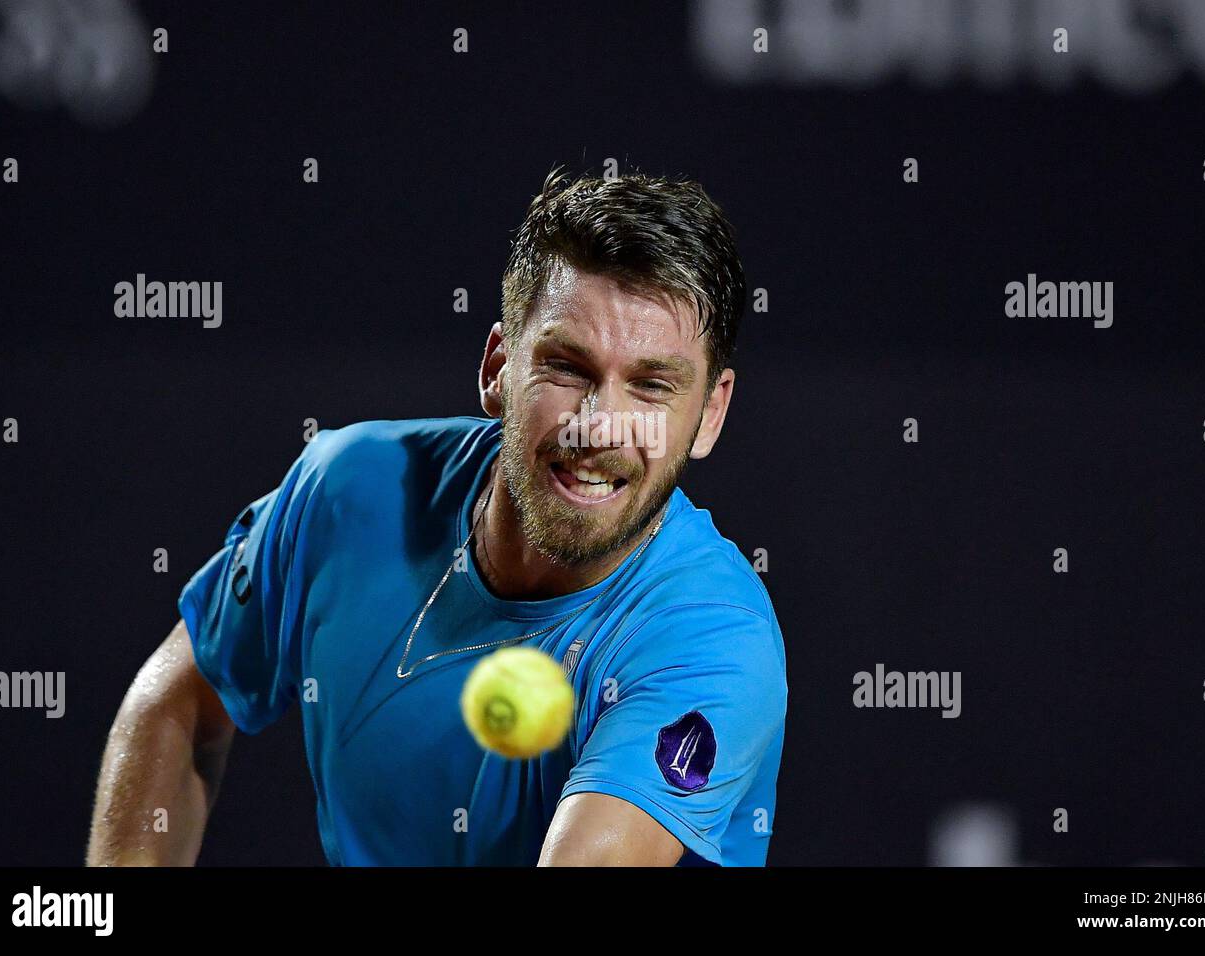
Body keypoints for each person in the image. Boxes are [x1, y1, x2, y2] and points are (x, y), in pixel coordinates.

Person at [87, 168, 787, 866]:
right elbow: (177, 704)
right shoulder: (348, 490)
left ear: (710, 414)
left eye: (651, 386)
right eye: (568, 368)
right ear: (498, 368)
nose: (599, 426)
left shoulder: (716, 639)